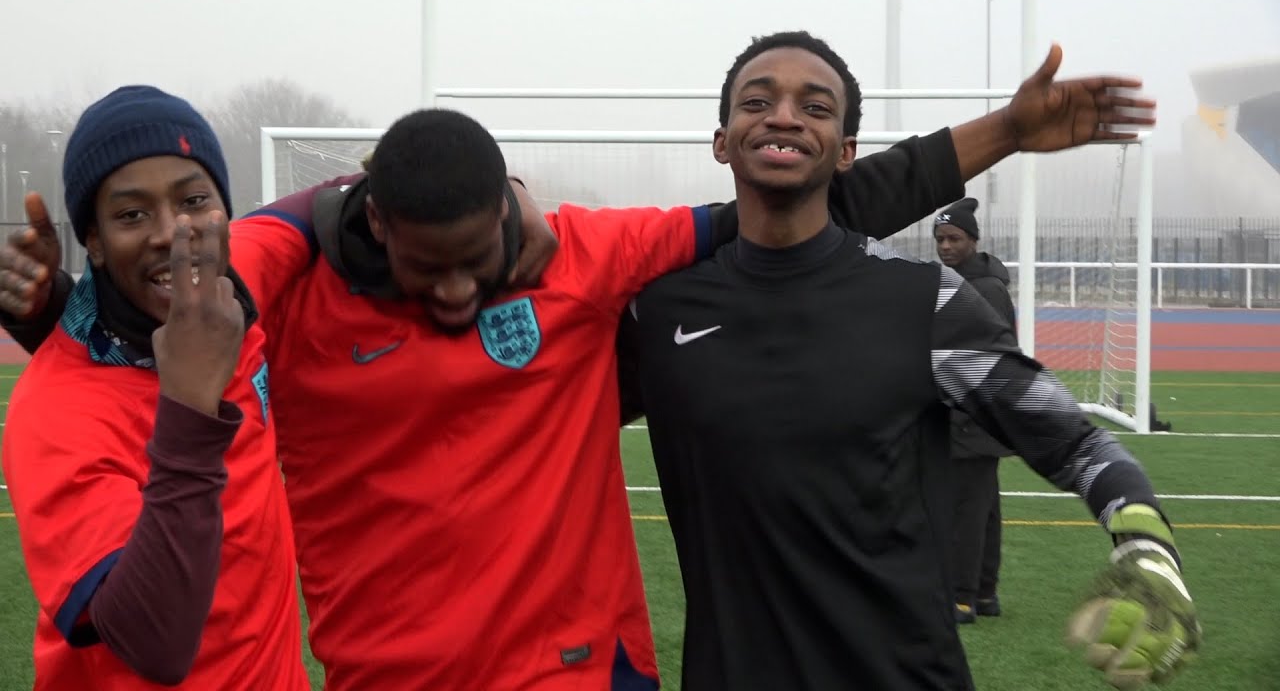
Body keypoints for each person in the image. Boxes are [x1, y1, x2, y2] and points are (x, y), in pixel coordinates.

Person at [0, 42, 1164, 689]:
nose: (461, 294)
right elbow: (174, 314)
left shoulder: (592, 259)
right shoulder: (286, 290)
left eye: (484, 263)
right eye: (430, 271)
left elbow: (805, 205)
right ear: (374, 227)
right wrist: (69, 311)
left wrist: (1001, 134)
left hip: (598, 676)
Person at [624, 31, 1199, 690]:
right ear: (723, 139)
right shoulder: (659, 311)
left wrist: (1147, 546)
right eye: (757, 100)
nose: (782, 115)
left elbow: (1080, 445)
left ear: (845, 152)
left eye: (814, 107)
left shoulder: (927, 302)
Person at [0, 86, 312, 689]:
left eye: (195, 199)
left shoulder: (237, 276)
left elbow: (317, 208)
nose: (174, 232)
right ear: (92, 240)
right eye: (131, 214)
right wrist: (191, 405)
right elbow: (156, 642)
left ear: (226, 207)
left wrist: (503, 196)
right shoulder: (57, 409)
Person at [933, 197, 1016, 625]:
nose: (946, 246)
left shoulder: (985, 289)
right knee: (983, 507)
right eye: (941, 239)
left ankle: (961, 597)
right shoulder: (959, 282)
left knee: (965, 508)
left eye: (955, 238)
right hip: (973, 414)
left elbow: (994, 355)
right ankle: (984, 593)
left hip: (973, 414)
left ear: (973, 240)